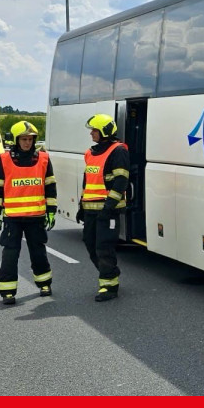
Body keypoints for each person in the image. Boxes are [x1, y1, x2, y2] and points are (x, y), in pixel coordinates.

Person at [0, 121, 57, 305]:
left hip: (36, 216)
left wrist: (51, 211)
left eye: (30, 139)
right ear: (16, 140)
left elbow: (50, 186)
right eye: (23, 139)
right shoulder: (4, 160)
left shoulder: (43, 158)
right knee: (10, 254)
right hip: (13, 218)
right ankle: (7, 291)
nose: (27, 142)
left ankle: (44, 284)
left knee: (38, 252)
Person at [76, 114, 130, 302]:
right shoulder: (90, 153)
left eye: (95, 130)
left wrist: (108, 207)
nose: (91, 133)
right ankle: (110, 273)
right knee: (90, 244)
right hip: (90, 209)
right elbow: (88, 182)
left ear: (105, 132)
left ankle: (109, 286)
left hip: (109, 210)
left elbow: (121, 182)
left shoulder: (118, 151)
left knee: (103, 247)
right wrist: (81, 207)